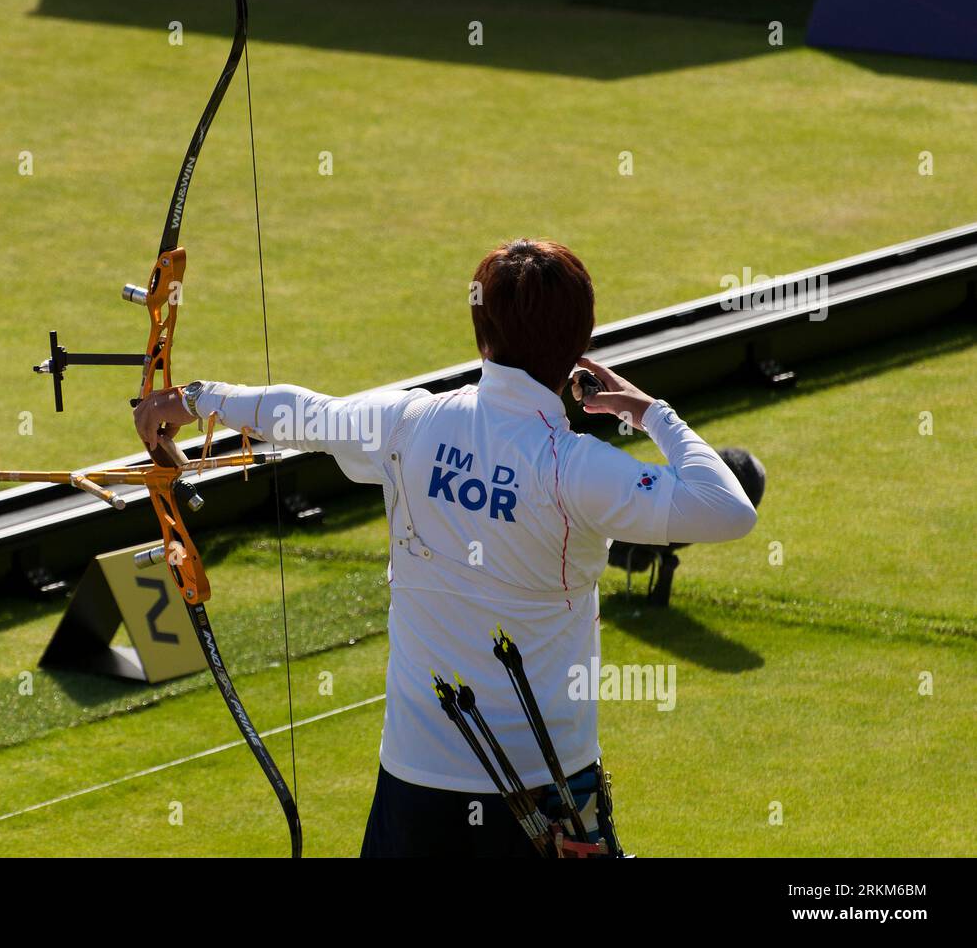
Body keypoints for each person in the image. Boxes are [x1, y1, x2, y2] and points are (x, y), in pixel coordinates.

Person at [134, 238, 758, 857]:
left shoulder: (409, 423)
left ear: (482, 336)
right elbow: (728, 507)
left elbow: (303, 412)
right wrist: (650, 412)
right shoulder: (577, 467)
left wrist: (192, 399)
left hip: (416, 793)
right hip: (548, 798)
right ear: (581, 344)